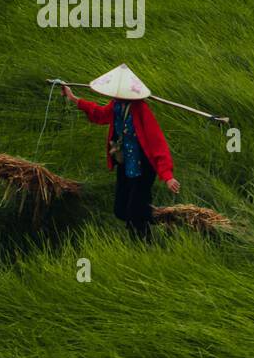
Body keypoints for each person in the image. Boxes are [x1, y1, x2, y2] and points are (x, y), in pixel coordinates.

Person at [59, 63, 179, 240]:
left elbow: (157, 143)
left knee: (134, 213)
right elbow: (99, 114)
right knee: (121, 210)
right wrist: (74, 98)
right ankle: (151, 215)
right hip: (125, 164)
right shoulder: (116, 105)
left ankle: (145, 245)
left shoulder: (141, 109)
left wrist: (167, 175)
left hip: (143, 168)